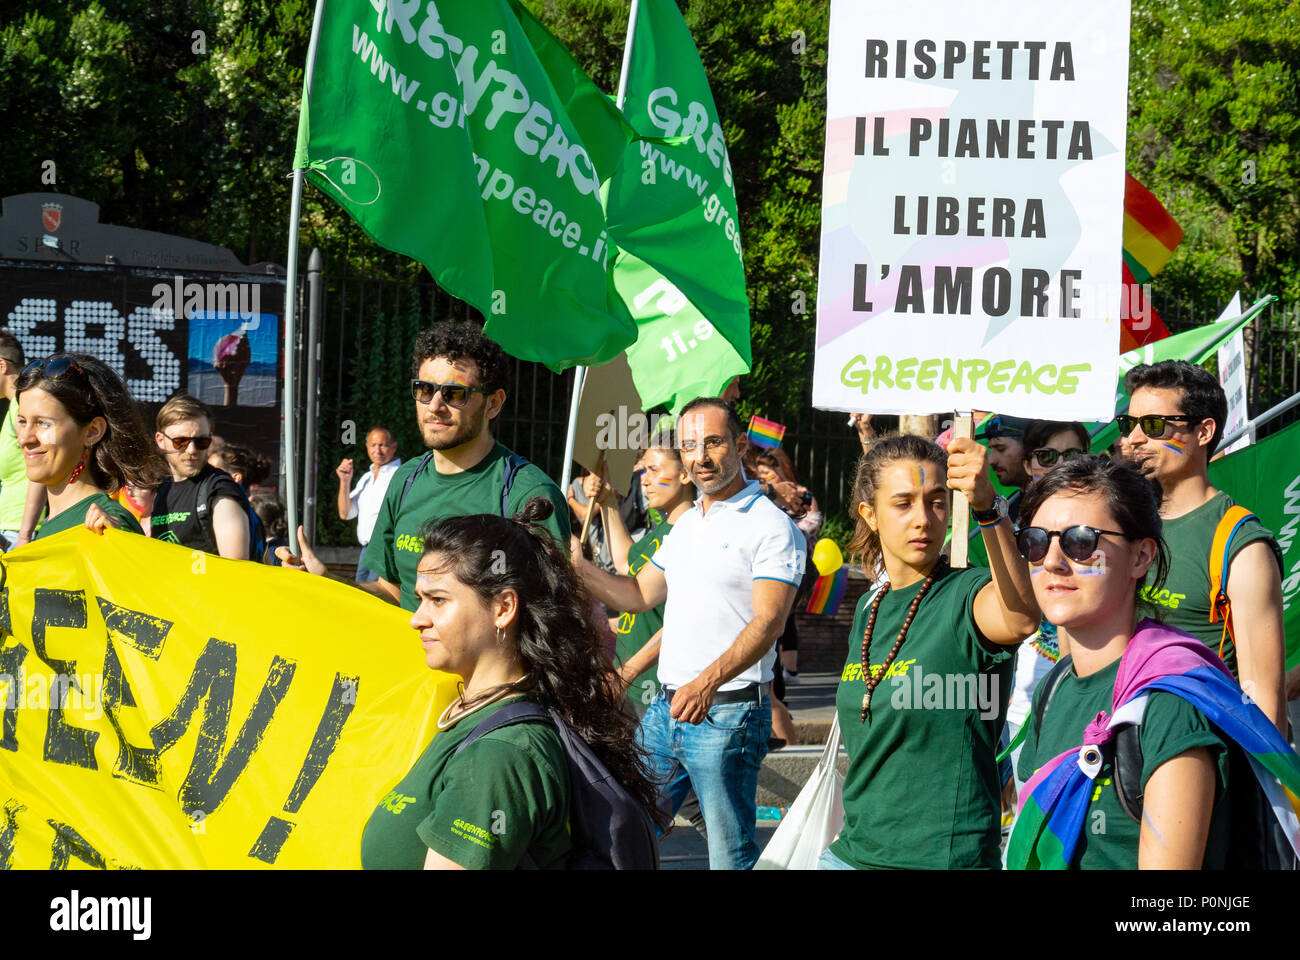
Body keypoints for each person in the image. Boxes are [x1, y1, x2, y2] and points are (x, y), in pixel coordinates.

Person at [359, 498, 666, 869]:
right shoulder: (477, 712)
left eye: (438, 600)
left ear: (503, 608)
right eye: (421, 599)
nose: (416, 619)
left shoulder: (502, 755)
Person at [571, 397, 806, 870]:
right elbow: (638, 594)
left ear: (739, 445)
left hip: (728, 712)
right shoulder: (687, 526)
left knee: (728, 854)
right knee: (624, 830)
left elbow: (769, 623)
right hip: (664, 711)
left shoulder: (772, 527)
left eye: (713, 442)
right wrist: (578, 569)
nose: (700, 456)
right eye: (690, 445)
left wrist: (706, 682)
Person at [819, 434, 1039, 870]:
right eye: (903, 503)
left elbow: (1020, 619)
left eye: (937, 501)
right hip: (852, 855)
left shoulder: (967, 594)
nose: (923, 519)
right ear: (871, 514)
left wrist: (987, 507)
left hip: (941, 860)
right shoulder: (869, 606)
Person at [1009, 456, 1242, 869]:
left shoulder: (1170, 704)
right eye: (1036, 541)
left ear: (1141, 557)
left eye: (1081, 542)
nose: (1052, 562)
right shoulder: (1056, 686)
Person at [1119, 360, 1287, 731]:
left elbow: (1264, 696)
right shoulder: (1119, 524)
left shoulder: (1240, 545)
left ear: (1204, 431)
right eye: (1128, 424)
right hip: (1121, 754)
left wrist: (1267, 785)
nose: (1133, 439)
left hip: (1206, 757)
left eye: (1153, 425)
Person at [364, 322, 570, 611]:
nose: (434, 405)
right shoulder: (406, 478)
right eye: (424, 389)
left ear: (493, 404)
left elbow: (550, 615)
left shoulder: (529, 494)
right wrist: (322, 581)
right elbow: (392, 589)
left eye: (454, 393)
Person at [583, 437, 695, 712]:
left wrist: (579, 566)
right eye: (644, 470)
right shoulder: (661, 531)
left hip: (658, 685)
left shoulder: (692, 533)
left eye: (654, 470)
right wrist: (608, 501)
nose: (644, 480)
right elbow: (625, 563)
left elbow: (686, 620)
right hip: (631, 682)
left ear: (684, 474)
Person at [16, 353, 154, 539]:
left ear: (93, 431)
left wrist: (117, 538)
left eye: (43, 423)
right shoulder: (53, 524)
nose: (25, 439)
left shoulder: (107, 524)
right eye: (22, 421)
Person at [149, 394, 257, 559]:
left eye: (201, 442)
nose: (192, 450)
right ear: (161, 440)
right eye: (181, 441)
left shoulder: (220, 490)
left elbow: (236, 571)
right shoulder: (162, 490)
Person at [336, 426, 402, 585]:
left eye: (382, 445)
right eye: (373, 445)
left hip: (386, 548)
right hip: (366, 551)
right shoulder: (366, 477)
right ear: (367, 447)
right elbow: (346, 513)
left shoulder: (400, 475)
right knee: (362, 597)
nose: (377, 450)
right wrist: (344, 481)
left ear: (394, 447)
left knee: (377, 599)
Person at [0, 331, 48, 547]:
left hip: (16, 533)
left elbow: (39, 466)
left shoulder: (22, 405)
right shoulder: (15, 406)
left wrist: (24, 537)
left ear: (2, 366)